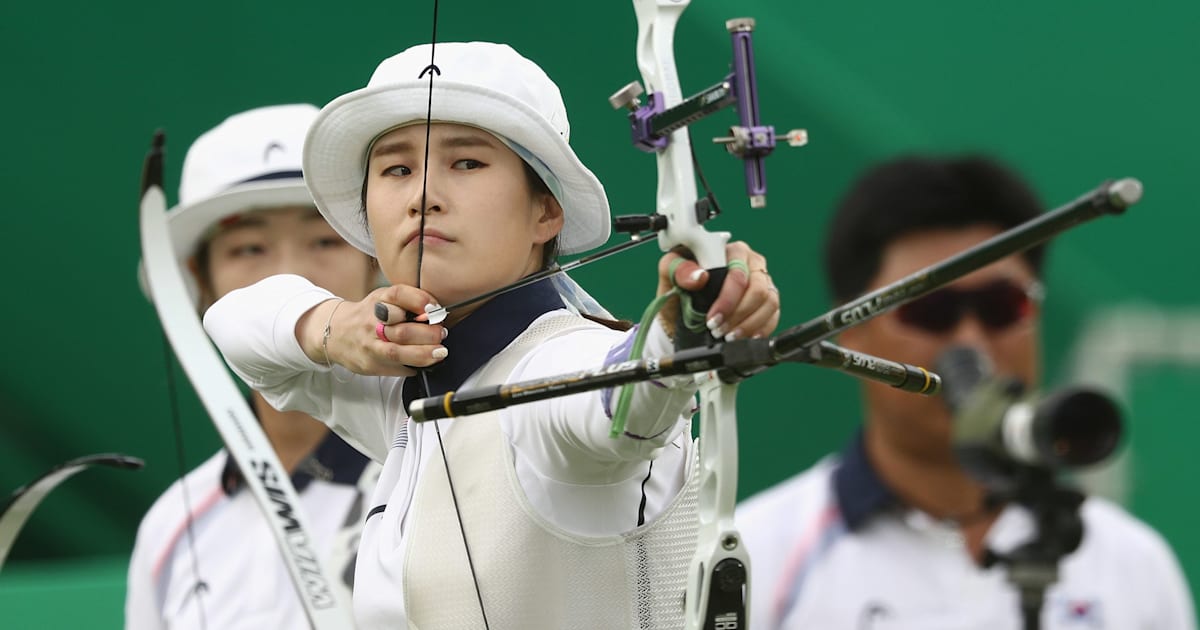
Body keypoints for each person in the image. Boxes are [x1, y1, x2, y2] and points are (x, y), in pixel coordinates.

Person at [201, 42, 779, 629]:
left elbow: (617, 400)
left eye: (467, 163)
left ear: (545, 213)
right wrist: (334, 328)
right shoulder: (398, 379)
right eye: (397, 170)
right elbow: (234, 321)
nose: (422, 195)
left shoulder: (557, 361)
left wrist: (678, 329)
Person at [737, 155, 1195, 629]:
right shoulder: (757, 560)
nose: (970, 343)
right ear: (849, 331)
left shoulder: (1132, 565)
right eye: (930, 310)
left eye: (1002, 306)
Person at [125, 104, 383, 630]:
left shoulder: (441, 466)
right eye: (249, 247)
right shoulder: (171, 524)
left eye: (325, 240)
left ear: (374, 261)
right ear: (199, 280)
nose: (287, 277)